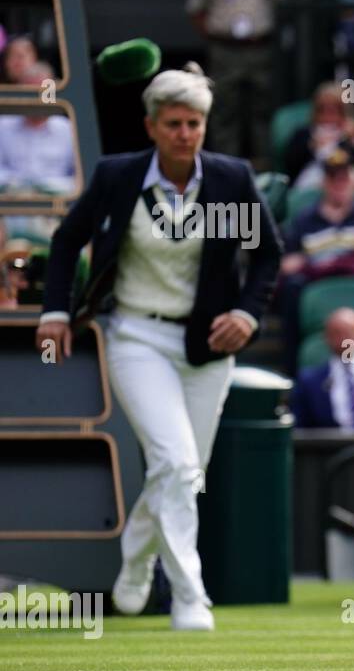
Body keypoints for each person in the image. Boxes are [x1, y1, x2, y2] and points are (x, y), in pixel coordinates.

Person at [34, 65, 283, 630]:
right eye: (173, 123)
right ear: (151, 126)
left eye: (194, 123)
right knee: (173, 460)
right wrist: (55, 311)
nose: (185, 133)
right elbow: (67, 236)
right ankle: (190, 596)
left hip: (206, 345)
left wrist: (247, 312)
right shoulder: (117, 177)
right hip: (136, 335)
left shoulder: (231, 180)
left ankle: (138, 554)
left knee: (185, 473)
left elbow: (268, 252)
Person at [278, 147, 354, 365]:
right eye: (333, 178)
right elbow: (287, 265)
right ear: (323, 182)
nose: (339, 184)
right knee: (292, 289)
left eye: (344, 177)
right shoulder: (304, 220)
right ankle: (291, 372)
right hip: (319, 291)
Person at [184, 0, 284, 167]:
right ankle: (224, 164)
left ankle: (262, 163)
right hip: (225, 49)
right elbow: (195, 8)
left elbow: (282, 4)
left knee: (261, 106)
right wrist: (212, 34)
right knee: (224, 107)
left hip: (259, 46)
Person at [0, 61, 76, 194]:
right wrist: (16, 184)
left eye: (44, 92)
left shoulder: (68, 129)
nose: (39, 99)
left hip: (60, 208)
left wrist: (52, 187)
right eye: (33, 92)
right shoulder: (3, 126)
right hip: (11, 207)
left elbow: (80, 177)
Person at [282, 81, 354, 192]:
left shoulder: (351, 137)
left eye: (334, 111)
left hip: (343, 193)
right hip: (307, 192)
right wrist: (312, 146)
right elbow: (290, 166)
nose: (327, 116)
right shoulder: (303, 134)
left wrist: (352, 141)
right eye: (322, 110)